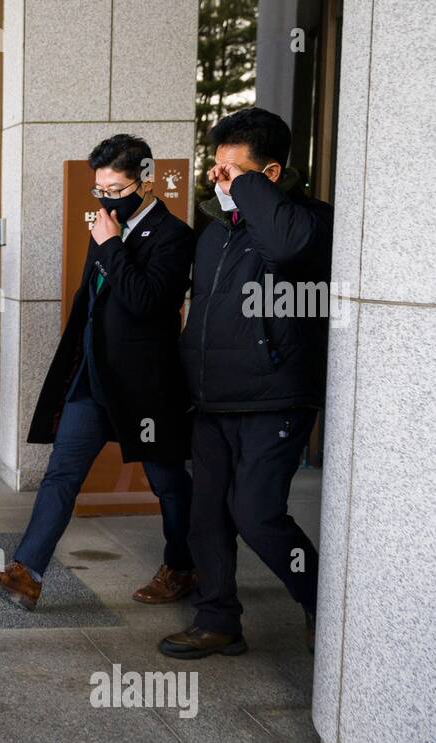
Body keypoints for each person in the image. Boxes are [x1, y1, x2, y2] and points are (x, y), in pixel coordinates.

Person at [0, 135, 196, 610]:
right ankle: (27, 572)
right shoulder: (105, 225)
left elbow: (146, 302)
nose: (106, 198)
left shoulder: (174, 236)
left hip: (145, 387)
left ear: (147, 179)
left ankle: (182, 565)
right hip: (92, 378)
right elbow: (92, 304)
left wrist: (111, 244)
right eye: (100, 188)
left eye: (117, 189)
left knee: (168, 483)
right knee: (62, 474)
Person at [160, 107, 332, 659]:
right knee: (205, 517)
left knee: (256, 514)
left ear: (270, 175)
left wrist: (251, 189)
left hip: (274, 397)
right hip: (212, 400)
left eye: (232, 170)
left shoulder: (308, 222)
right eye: (215, 167)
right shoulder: (219, 234)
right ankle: (218, 621)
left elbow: (285, 248)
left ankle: (323, 606)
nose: (217, 178)